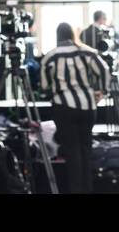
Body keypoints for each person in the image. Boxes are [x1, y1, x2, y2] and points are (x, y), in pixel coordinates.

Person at [41, 22, 109, 193]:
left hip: (64, 106)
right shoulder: (87, 52)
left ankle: (76, 189)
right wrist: (102, 91)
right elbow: (104, 69)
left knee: (72, 150)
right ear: (73, 35)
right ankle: (88, 188)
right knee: (86, 147)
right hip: (88, 106)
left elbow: (44, 86)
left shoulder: (51, 56)